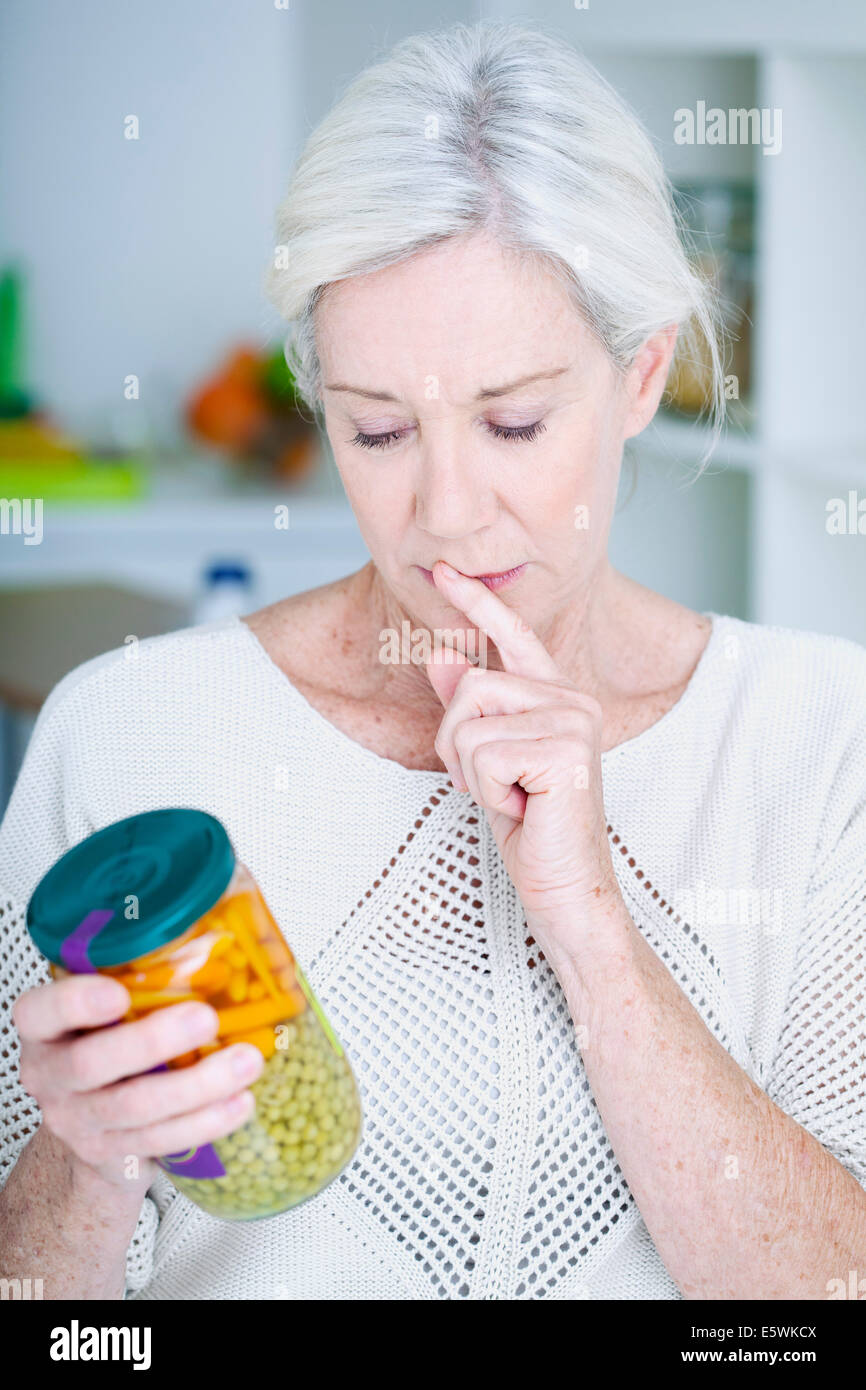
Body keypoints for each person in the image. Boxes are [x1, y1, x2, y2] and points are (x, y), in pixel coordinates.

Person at [1, 19, 864, 1301]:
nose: (448, 512)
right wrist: (84, 1162)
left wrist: (589, 929)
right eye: (379, 429)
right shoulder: (128, 736)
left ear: (637, 379)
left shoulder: (813, 735)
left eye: (513, 420)